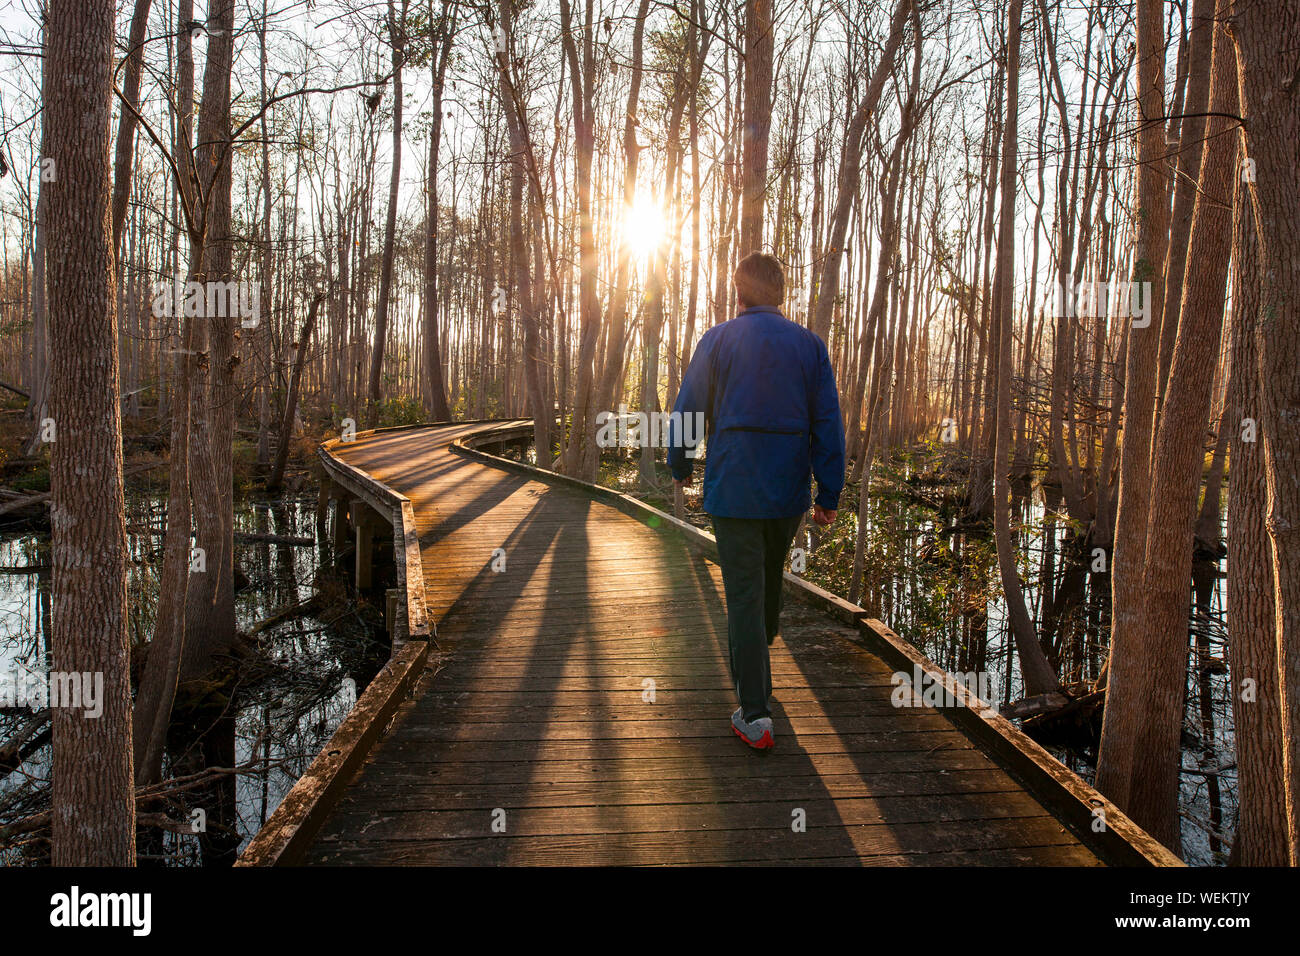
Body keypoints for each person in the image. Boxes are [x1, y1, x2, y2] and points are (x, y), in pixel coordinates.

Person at [667, 252, 846, 750]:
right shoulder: (810, 347)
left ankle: (755, 714)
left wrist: (679, 464)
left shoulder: (718, 339)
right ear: (781, 293)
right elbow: (828, 423)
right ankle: (757, 661)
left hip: (734, 491)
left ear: (739, 292)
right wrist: (828, 492)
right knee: (767, 580)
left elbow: (688, 408)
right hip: (787, 494)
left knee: (746, 592)